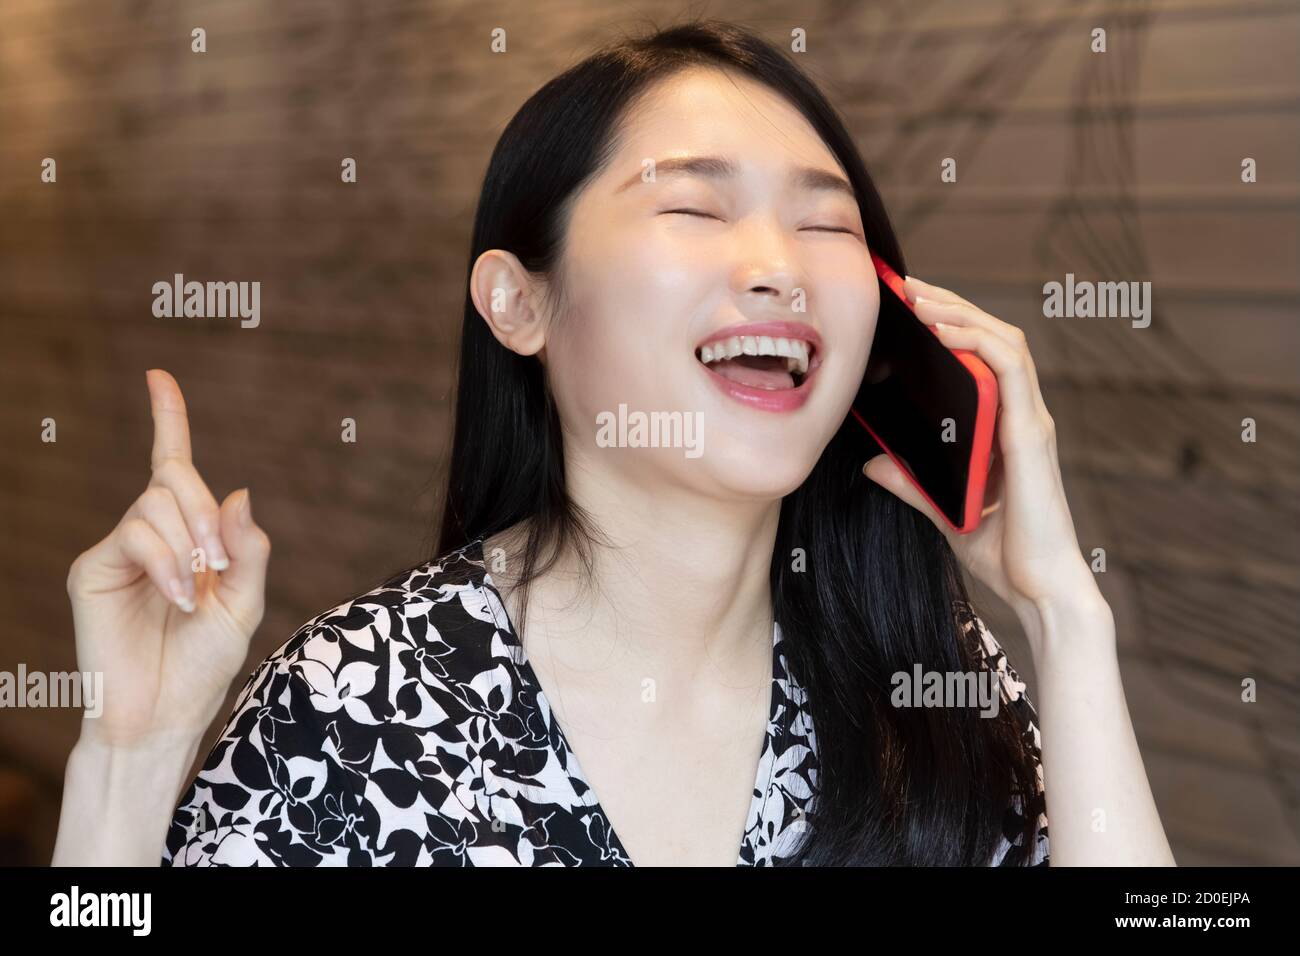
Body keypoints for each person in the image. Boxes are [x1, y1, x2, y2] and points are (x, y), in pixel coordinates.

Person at [52, 19, 1175, 867]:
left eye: (827, 222)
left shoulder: (927, 689)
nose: (778, 263)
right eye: (693, 207)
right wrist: (129, 762)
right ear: (518, 304)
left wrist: (1066, 627)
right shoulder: (353, 704)